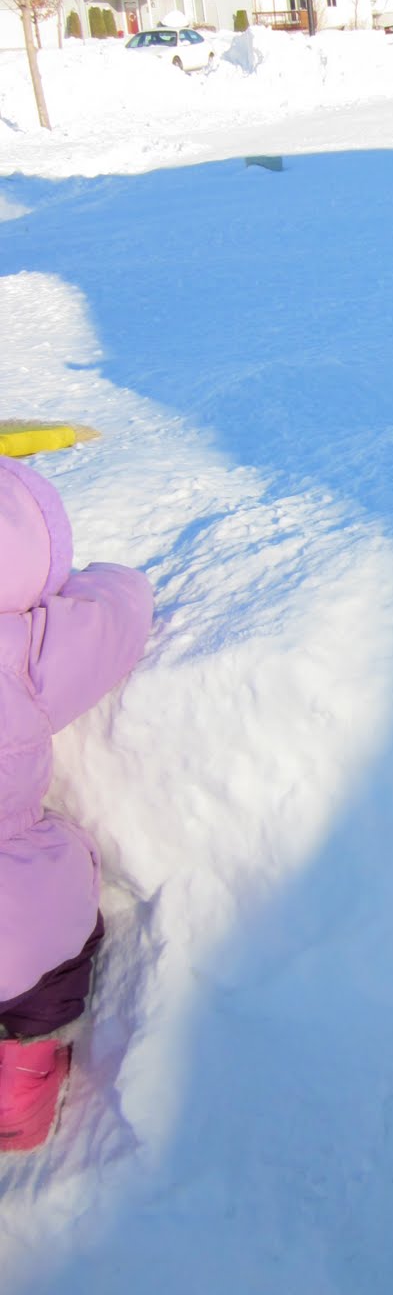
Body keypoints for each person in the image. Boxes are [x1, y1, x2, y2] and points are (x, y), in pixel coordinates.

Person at [0, 456, 153, 1151]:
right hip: (10, 924)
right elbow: (114, 618)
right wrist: (106, 579)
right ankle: (19, 1088)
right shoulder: (24, 650)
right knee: (43, 937)